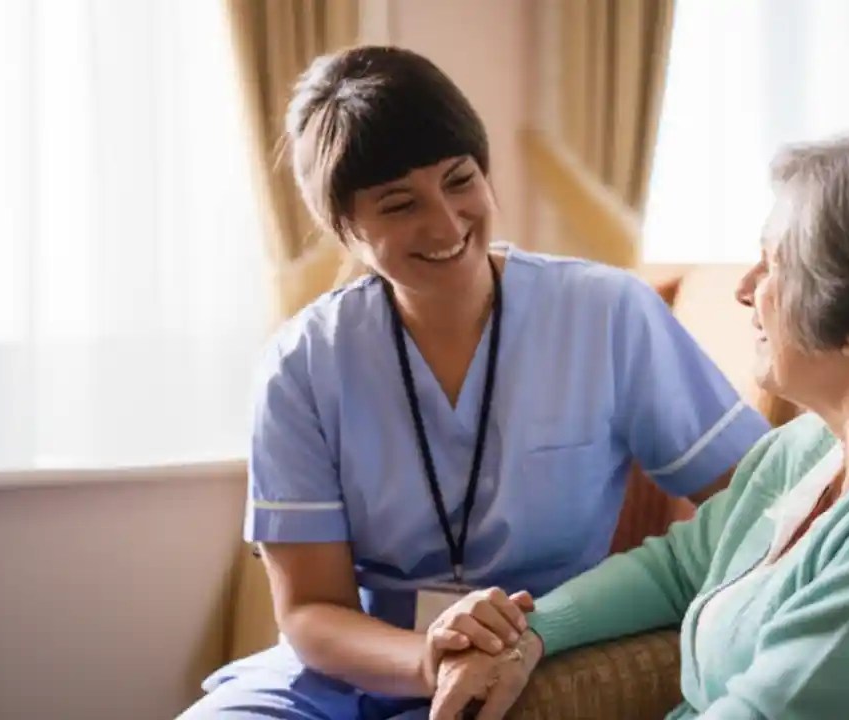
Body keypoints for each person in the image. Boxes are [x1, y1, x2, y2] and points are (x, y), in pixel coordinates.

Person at [179, 46, 768, 719]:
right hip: (366, 663)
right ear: (343, 226)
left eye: (459, 180)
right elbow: (312, 609)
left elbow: (761, 497)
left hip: (544, 648)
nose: (444, 222)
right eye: (399, 204)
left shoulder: (605, 314)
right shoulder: (301, 366)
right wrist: (427, 659)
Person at [430, 122, 849, 720]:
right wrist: (527, 631)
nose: (745, 289)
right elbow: (677, 568)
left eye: (774, 265)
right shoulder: (811, 447)